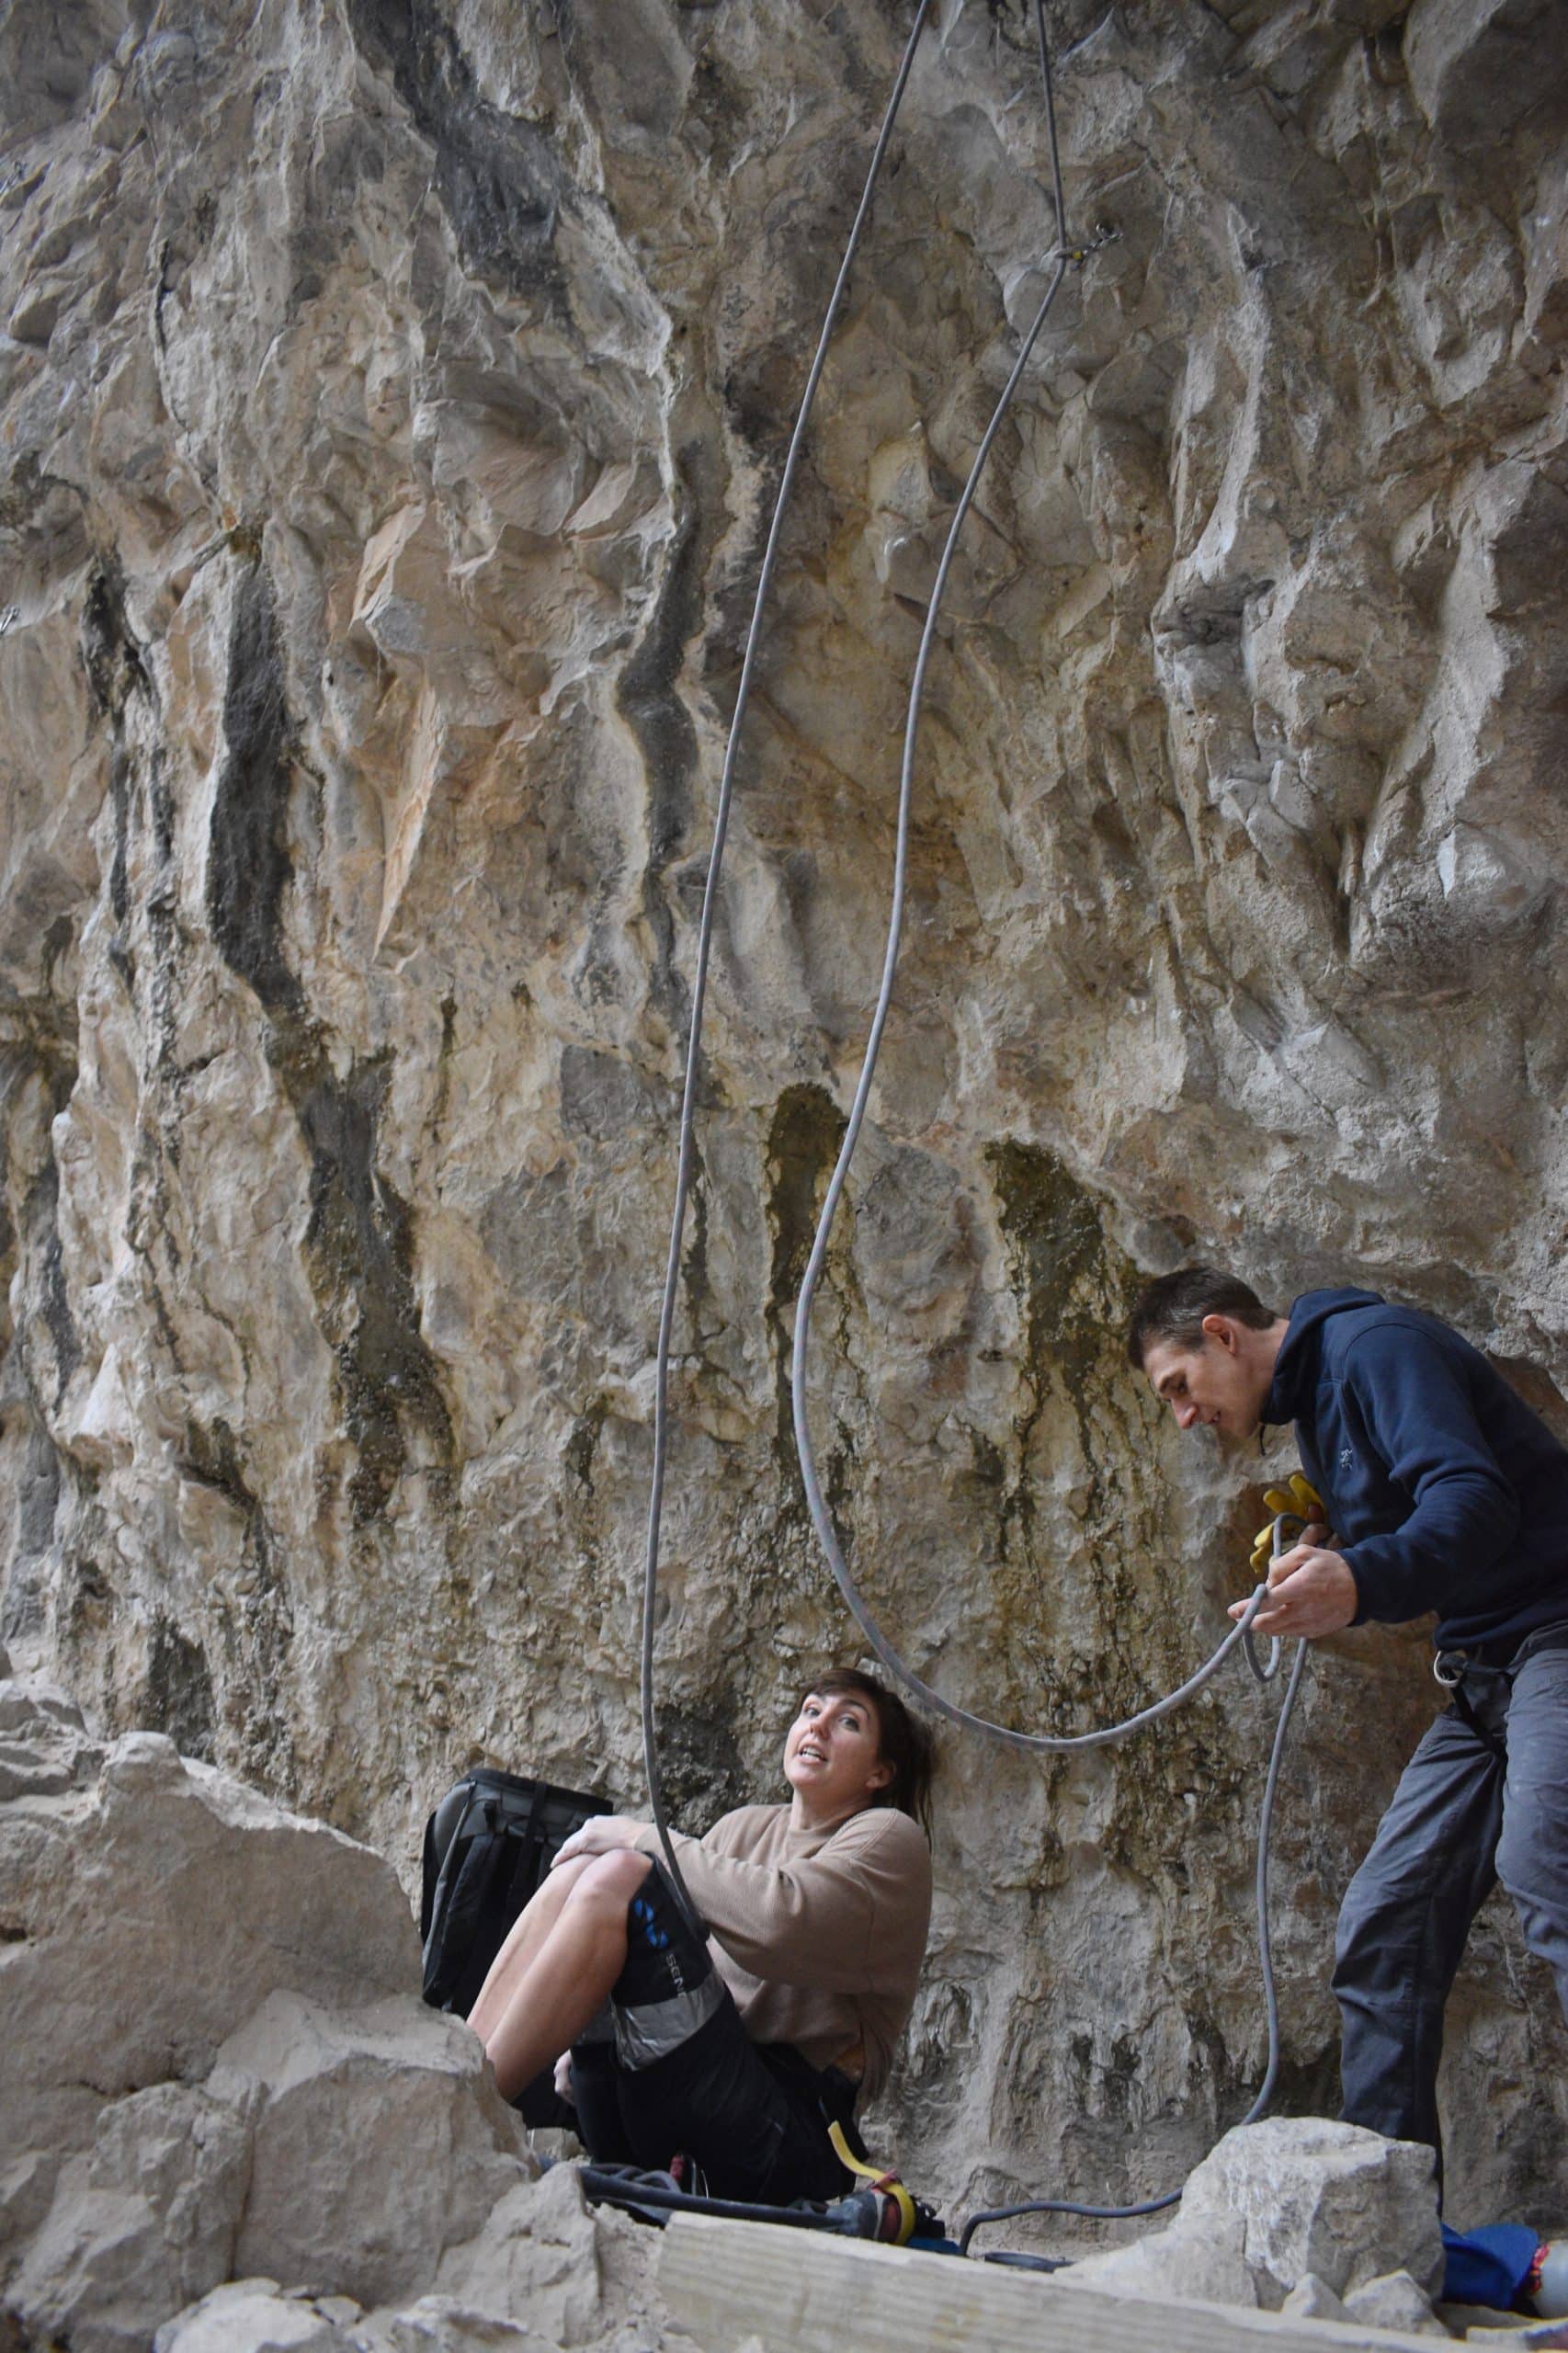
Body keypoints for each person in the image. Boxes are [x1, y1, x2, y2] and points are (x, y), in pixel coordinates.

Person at [1127, 1267, 1568, 2161]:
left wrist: (1357, 1580)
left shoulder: (1375, 1349)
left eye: (1177, 1386)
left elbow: (1473, 1500)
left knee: (1547, 1863)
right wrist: (1330, 1538)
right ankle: (1388, 2219)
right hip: (1488, 1675)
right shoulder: (1319, 1403)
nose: (1182, 1416)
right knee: (1383, 1921)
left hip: (1554, 1634)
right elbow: (1419, 1496)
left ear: (1219, 1333)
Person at [468, 1667, 934, 2202]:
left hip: (778, 2139)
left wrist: (640, 1836)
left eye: (847, 1721)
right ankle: (457, 2070)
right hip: (664, 2110)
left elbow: (779, 1921)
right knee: (583, 1870)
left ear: (879, 1773)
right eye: (810, 1711)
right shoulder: (745, 1827)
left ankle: (463, 2107)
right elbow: (679, 1961)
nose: (819, 1726)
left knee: (621, 1872)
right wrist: (588, 2017)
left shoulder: (889, 1841)